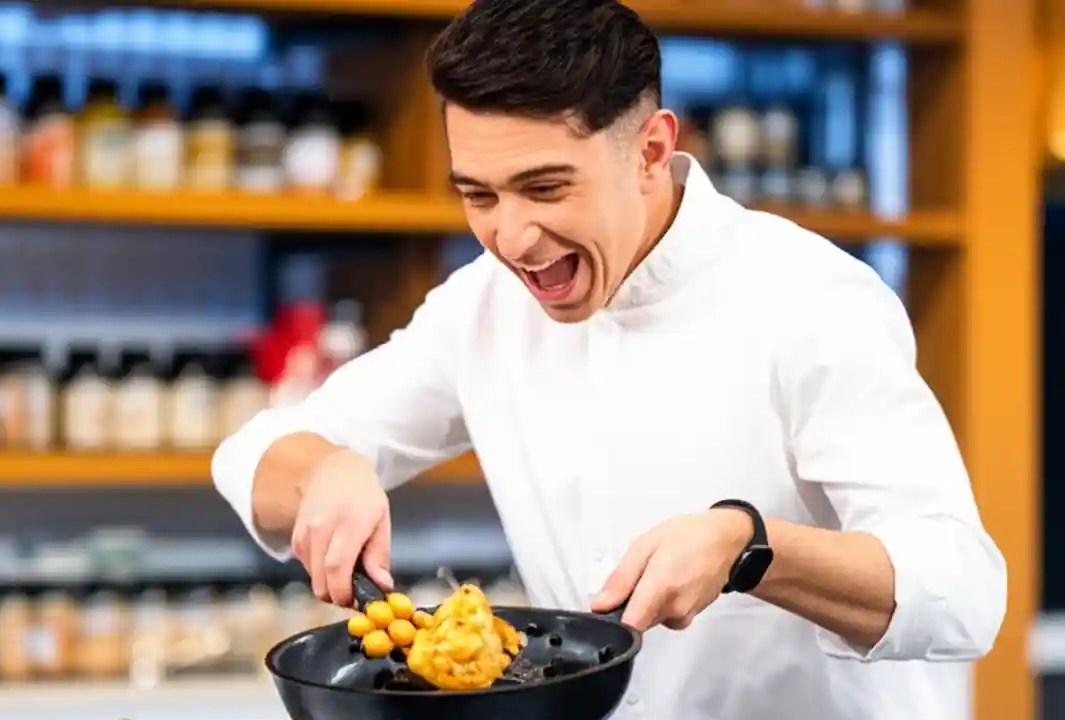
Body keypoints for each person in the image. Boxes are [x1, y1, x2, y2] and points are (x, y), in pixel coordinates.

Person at [212, 1, 1007, 718]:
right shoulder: (480, 306)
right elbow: (252, 451)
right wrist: (323, 470)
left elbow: (963, 593)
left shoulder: (810, 298)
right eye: (479, 195)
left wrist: (750, 546)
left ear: (652, 151)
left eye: (546, 187)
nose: (512, 239)